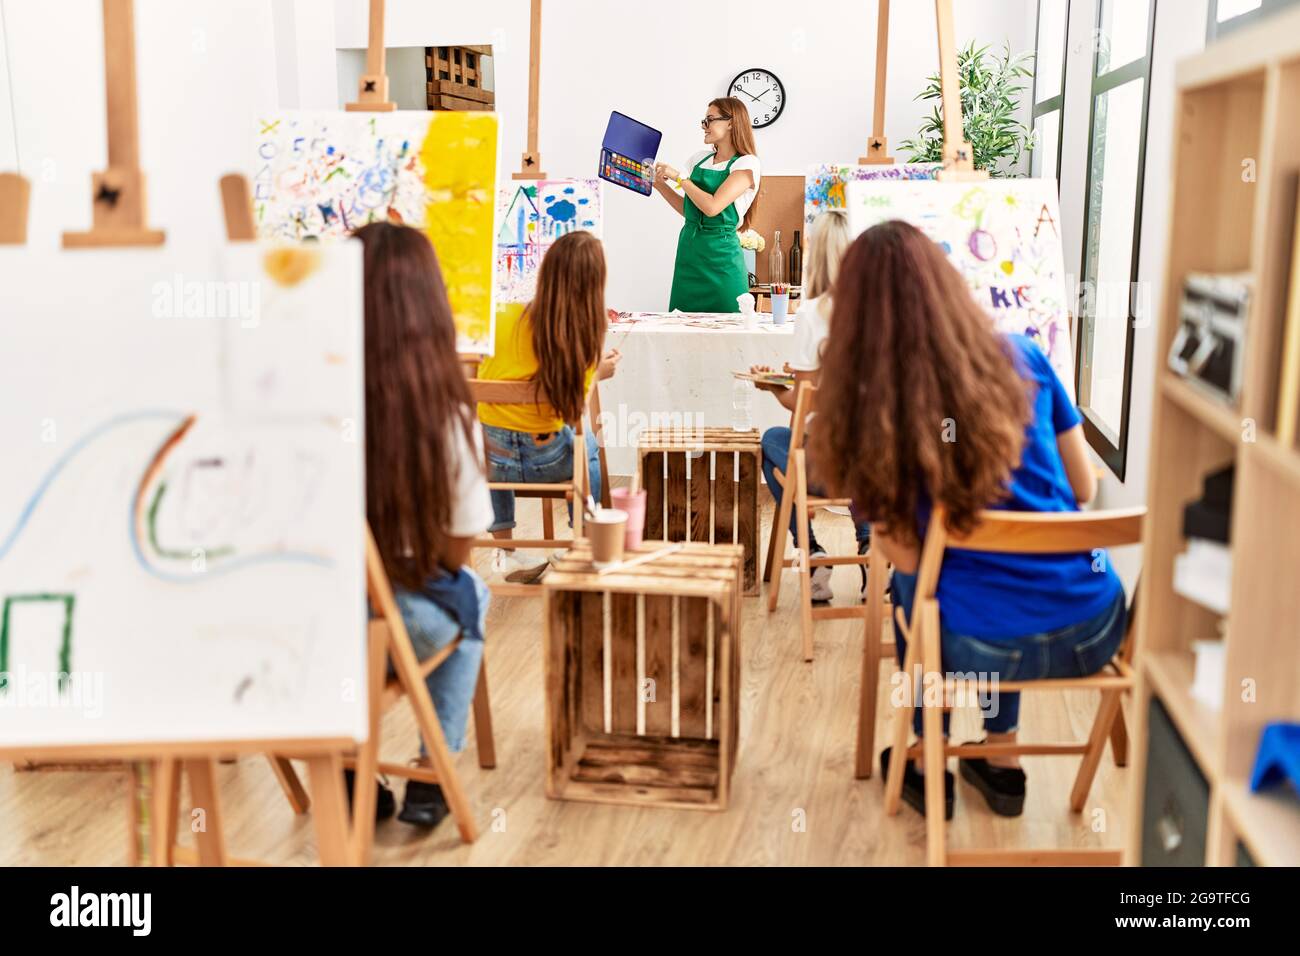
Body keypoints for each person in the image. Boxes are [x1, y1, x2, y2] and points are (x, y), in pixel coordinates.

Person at [810, 220, 1127, 820]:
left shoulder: (879, 408)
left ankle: (930, 759)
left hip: (981, 645)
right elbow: (1083, 487)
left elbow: (905, 559)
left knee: (917, 587)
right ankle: (1002, 760)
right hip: (1096, 626)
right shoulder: (1025, 356)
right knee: (977, 580)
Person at [355, 222, 495, 829]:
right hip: (386, 626)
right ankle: (432, 773)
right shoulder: (446, 417)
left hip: (295, 623)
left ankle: (342, 761)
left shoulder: (295, 406)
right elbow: (456, 554)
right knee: (473, 594)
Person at [476, 231, 620, 581]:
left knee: (491, 434)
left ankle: (505, 550)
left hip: (490, 463)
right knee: (587, 446)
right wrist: (597, 372)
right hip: (549, 462)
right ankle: (581, 543)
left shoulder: (502, 316)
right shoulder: (579, 334)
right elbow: (572, 412)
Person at [750, 209, 870, 602]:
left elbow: (800, 404)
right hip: (879, 468)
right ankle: (869, 549)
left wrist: (770, 386)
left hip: (824, 469)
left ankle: (813, 553)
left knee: (771, 441)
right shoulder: (880, 314)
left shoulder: (811, 314)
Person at [653, 97, 761, 313]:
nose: (704, 126)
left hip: (722, 260)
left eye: (709, 120)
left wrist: (680, 178)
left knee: (730, 330)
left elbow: (713, 207)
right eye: (704, 121)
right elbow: (690, 211)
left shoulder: (747, 163)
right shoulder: (699, 159)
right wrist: (658, 185)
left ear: (731, 122)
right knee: (683, 330)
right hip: (690, 254)